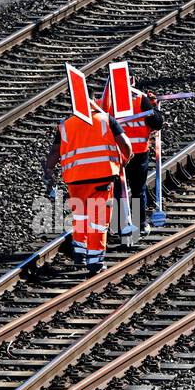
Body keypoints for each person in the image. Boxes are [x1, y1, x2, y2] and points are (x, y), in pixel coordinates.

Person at [44, 99, 133, 273]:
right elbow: (126, 145)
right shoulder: (106, 119)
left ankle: (80, 254)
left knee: (81, 216)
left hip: (75, 179)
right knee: (98, 220)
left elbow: (55, 152)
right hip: (101, 177)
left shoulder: (65, 125)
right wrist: (125, 160)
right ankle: (95, 261)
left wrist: (48, 170)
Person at [108, 89, 164, 236]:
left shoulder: (108, 100)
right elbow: (157, 123)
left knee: (118, 191)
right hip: (138, 153)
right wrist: (154, 106)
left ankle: (118, 226)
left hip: (118, 154)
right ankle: (139, 224)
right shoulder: (140, 99)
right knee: (138, 189)